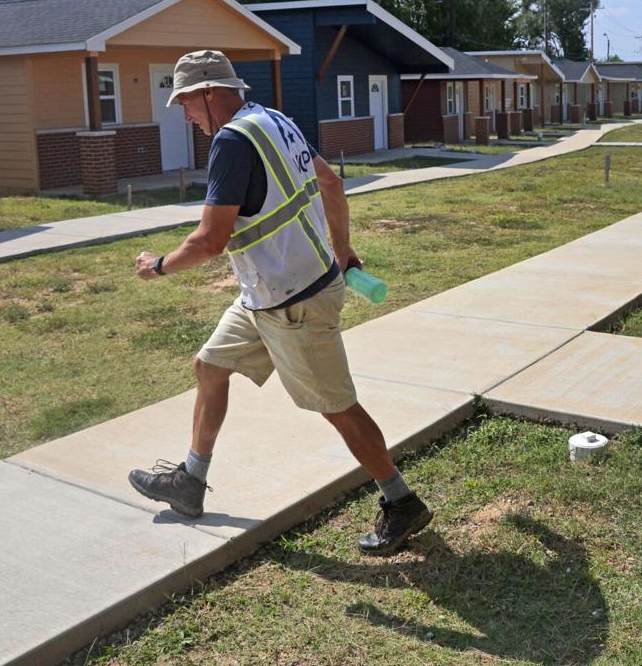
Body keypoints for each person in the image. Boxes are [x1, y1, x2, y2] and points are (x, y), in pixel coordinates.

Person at [128, 49, 431, 556]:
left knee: (337, 406)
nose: (185, 115)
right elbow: (331, 184)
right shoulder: (276, 122)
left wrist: (158, 266)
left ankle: (401, 502)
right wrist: (342, 248)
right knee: (209, 365)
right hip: (266, 297)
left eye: (185, 102)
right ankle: (190, 482)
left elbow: (209, 241)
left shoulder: (231, 142)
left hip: (296, 304)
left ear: (207, 93)